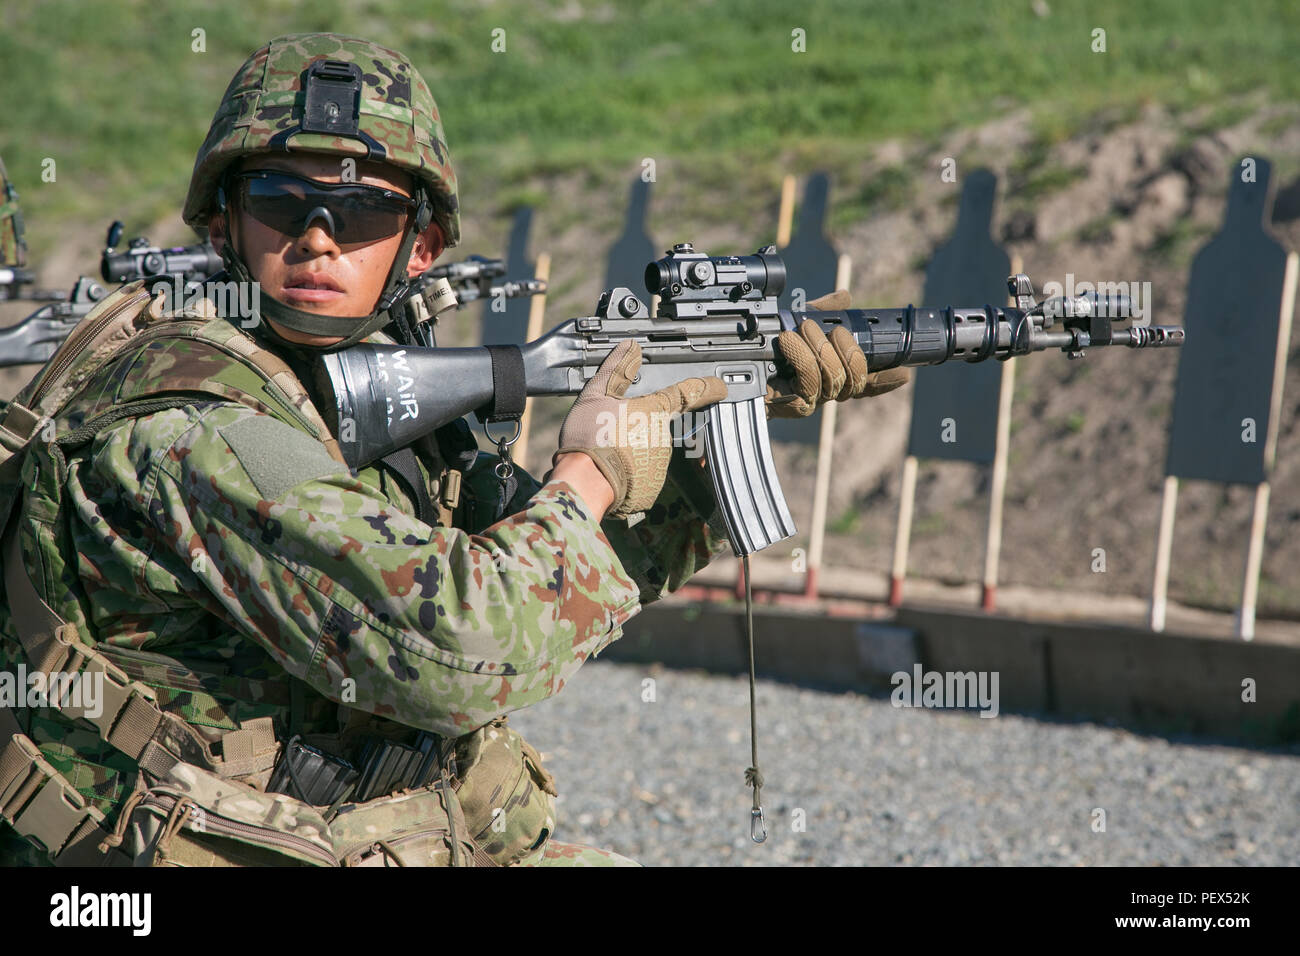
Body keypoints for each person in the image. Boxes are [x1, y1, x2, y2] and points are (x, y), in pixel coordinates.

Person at [0, 33, 906, 867]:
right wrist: (591, 471)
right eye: (281, 201)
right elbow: (466, 645)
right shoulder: (197, 426)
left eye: (359, 213)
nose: (317, 235)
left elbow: (554, 584)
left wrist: (710, 436)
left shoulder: (345, 389)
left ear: (420, 247)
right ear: (223, 226)